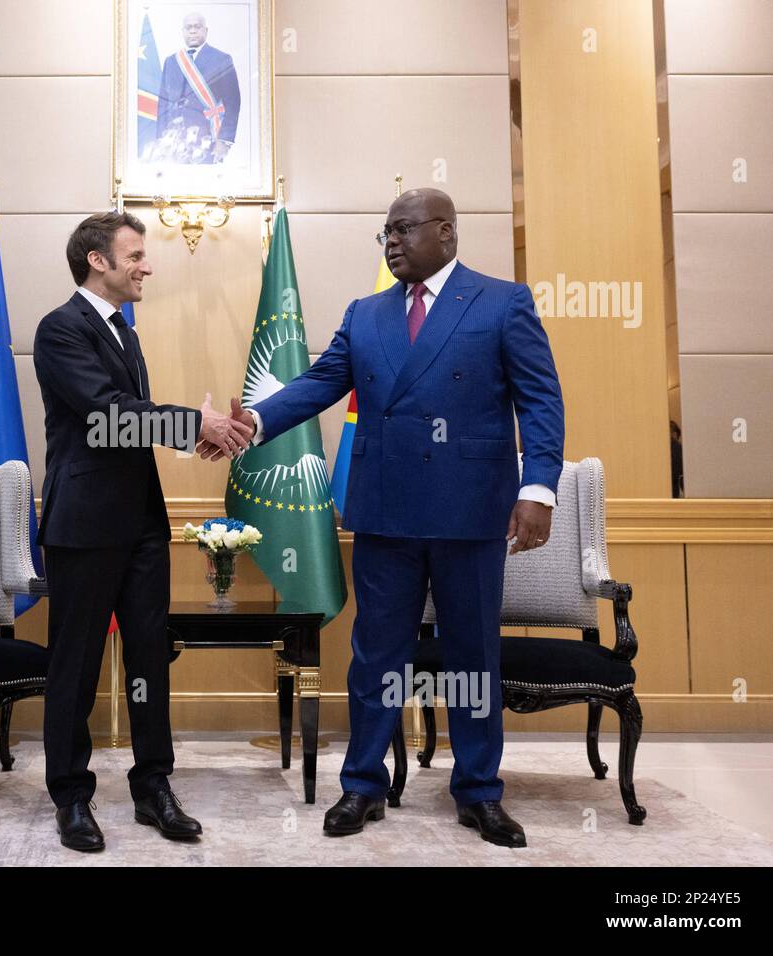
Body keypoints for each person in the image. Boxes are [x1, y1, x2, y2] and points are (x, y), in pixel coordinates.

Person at [206, 188, 565, 848]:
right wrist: (254, 421)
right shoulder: (364, 313)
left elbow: (542, 401)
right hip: (385, 510)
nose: (391, 242)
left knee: (473, 657)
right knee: (377, 655)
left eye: (403, 230)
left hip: (471, 509)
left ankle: (479, 791)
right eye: (385, 234)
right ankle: (362, 786)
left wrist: (538, 488)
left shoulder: (502, 302)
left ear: (447, 233)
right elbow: (319, 383)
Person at [32, 211, 252, 852]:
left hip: (142, 526)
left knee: (150, 660)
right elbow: (107, 417)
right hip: (84, 526)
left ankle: (153, 785)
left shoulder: (126, 333)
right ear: (97, 260)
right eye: (134, 255)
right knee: (76, 665)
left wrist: (201, 432)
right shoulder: (60, 329)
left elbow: (132, 423)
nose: (146, 265)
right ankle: (71, 796)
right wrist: (194, 425)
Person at [156, 12, 241, 164]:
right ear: (183, 31)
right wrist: (160, 138)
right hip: (175, 138)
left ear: (206, 31)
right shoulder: (171, 61)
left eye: (197, 27)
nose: (193, 31)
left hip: (207, 137)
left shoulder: (221, 59)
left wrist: (224, 140)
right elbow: (163, 103)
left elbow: (233, 104)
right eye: (188, 28)